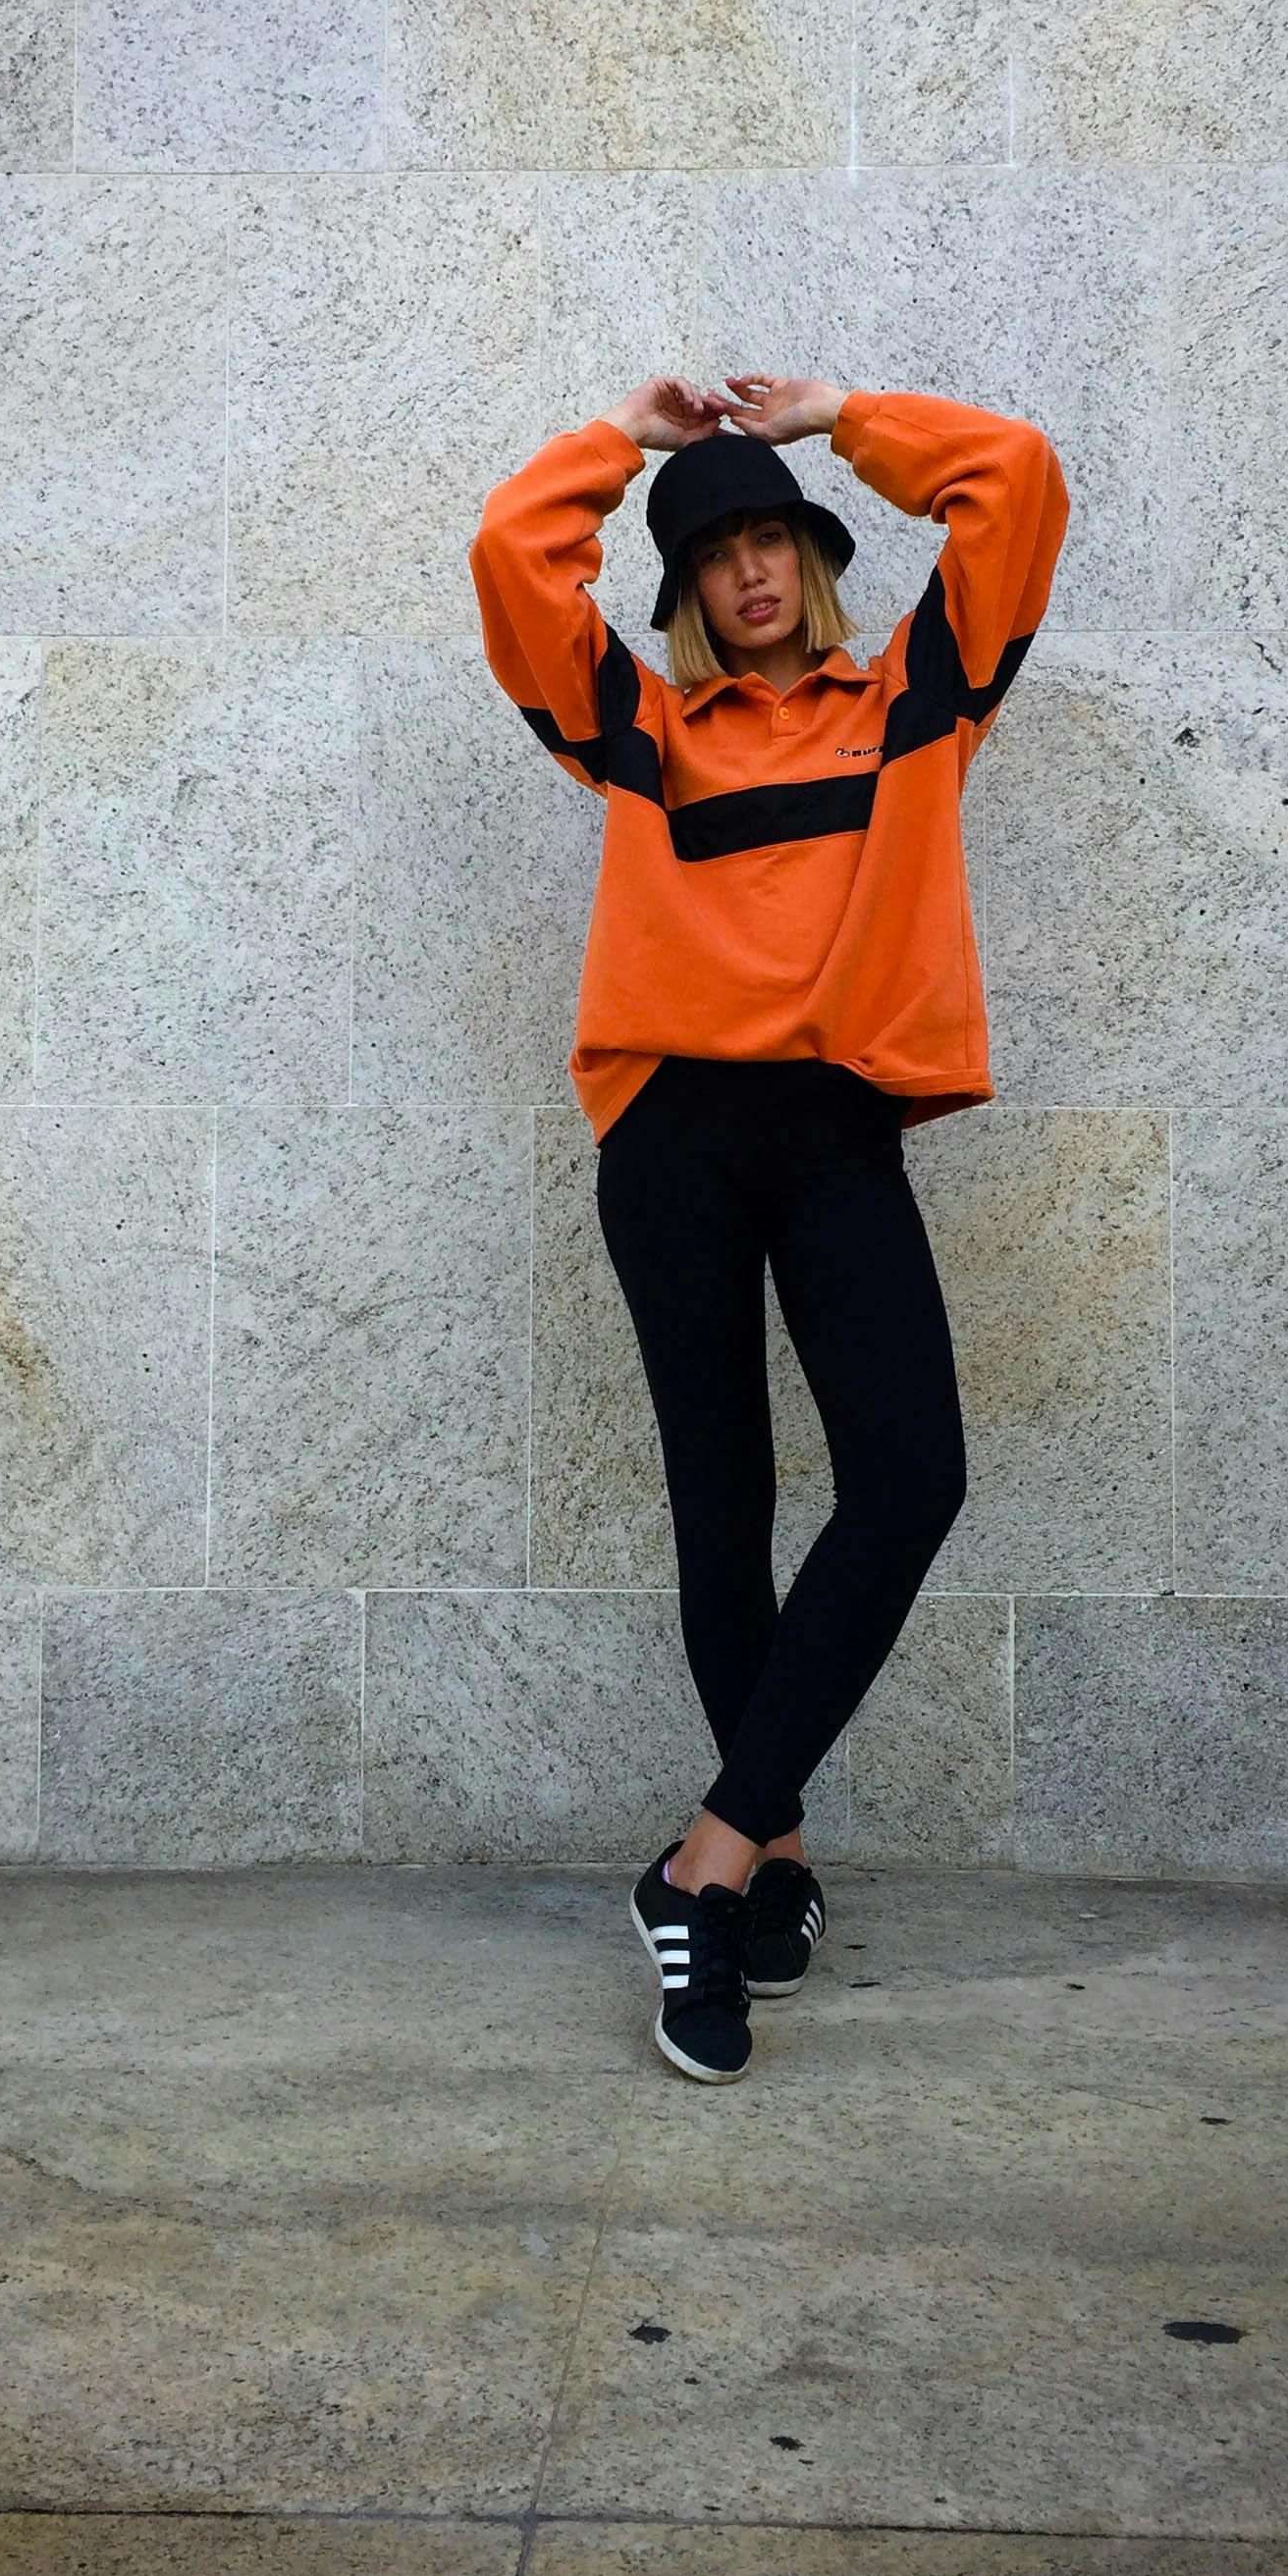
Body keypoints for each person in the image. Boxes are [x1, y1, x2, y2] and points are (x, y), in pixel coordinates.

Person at [469, 370, 1070, 2084]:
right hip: (669, 1139)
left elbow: (1013, 479)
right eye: (715, 553)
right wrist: (634, 446)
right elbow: (513, 555)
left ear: (814, 565)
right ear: (682, 593)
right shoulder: (639, 730)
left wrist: (828, 422)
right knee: (720, 1514)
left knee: (911, 1479)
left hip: (831, 1130)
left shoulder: (919, 699)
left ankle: (703, 1860)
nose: (748, 573)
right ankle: (774, 1860)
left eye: (773, 545)